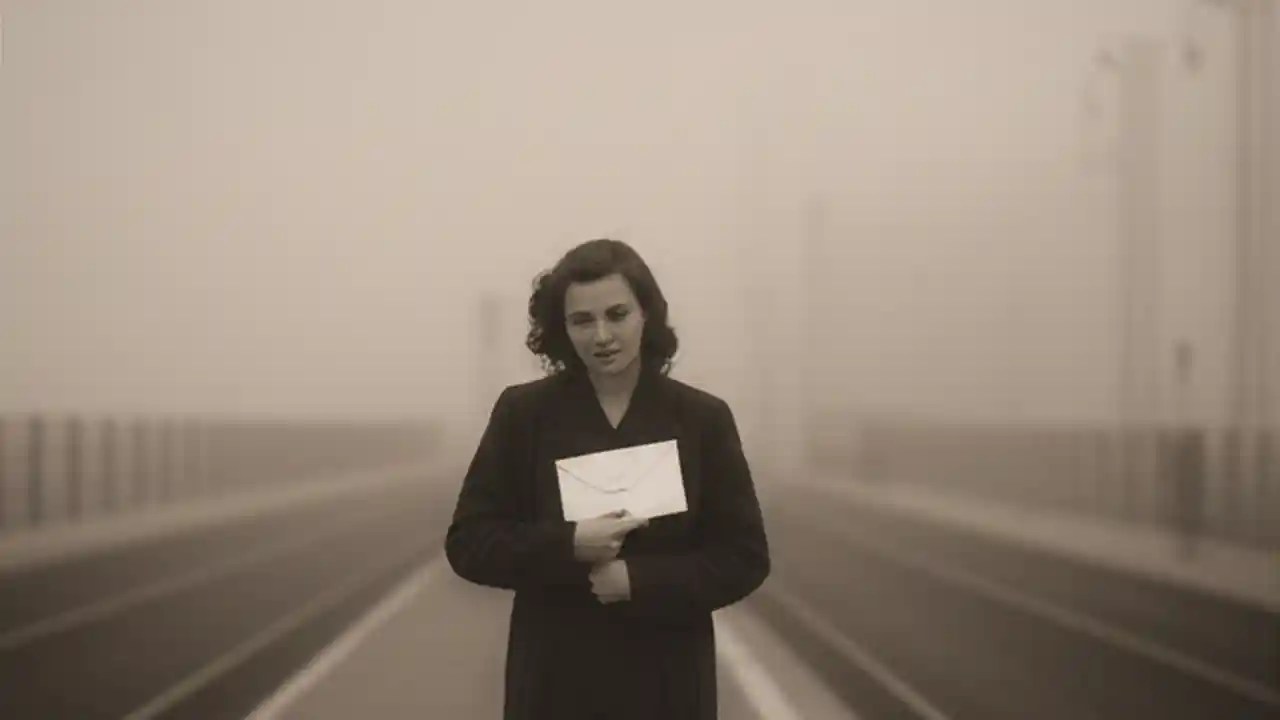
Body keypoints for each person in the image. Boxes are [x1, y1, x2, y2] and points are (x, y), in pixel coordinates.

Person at [445, 238, 771, 719]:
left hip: (670, 688)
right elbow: (469, 543)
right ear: (561, 329)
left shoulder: (702, 419)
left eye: (617, 314)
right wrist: (568, 545)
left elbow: (744, 557)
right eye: (582, 320)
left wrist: (639, 581)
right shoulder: (524, 414)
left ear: (647, 315)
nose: (601, 336)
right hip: (554, 688)